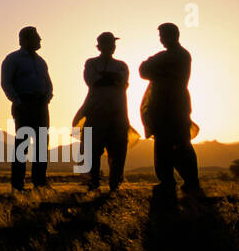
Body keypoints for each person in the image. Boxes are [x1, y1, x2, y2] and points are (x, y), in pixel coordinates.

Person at [138, 22, 201, 197]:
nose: (162, 39)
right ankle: (168, 181)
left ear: (175, 35)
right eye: (160, 36)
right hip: (161, 106)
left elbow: (149, 69)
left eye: (164, 35)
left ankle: (190, 181)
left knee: (181, 144)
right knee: (163, 145)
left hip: (176, 106)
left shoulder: (181, 55)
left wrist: (157, 70)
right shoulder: (167, 56)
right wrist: (159, 70)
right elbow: (142, 70)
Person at [74, 32, 134, 192]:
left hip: (118, 113)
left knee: (118, 151)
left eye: (113, 44)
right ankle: (93, 184)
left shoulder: (122, 65)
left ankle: (115, 186)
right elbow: (93, 81)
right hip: (96, 112)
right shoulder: (91, 63)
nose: (111, 47)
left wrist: (105, 78)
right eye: (108, 44)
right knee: (92, 150)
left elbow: (121, 82)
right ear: (99, 47)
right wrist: (111, 78)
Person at [0, 26, 53, 190]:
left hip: (41, 104)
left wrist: (48, 97)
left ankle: (39, 182)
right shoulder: (12, 59)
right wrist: (18, 102)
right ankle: (18, 185)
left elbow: (48, 82)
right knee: (23, 144)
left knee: (42, 143)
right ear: (25, 40)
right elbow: (6, 83)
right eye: (37, 37)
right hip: (24, 104)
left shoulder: (41, 61)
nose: (40, 40)